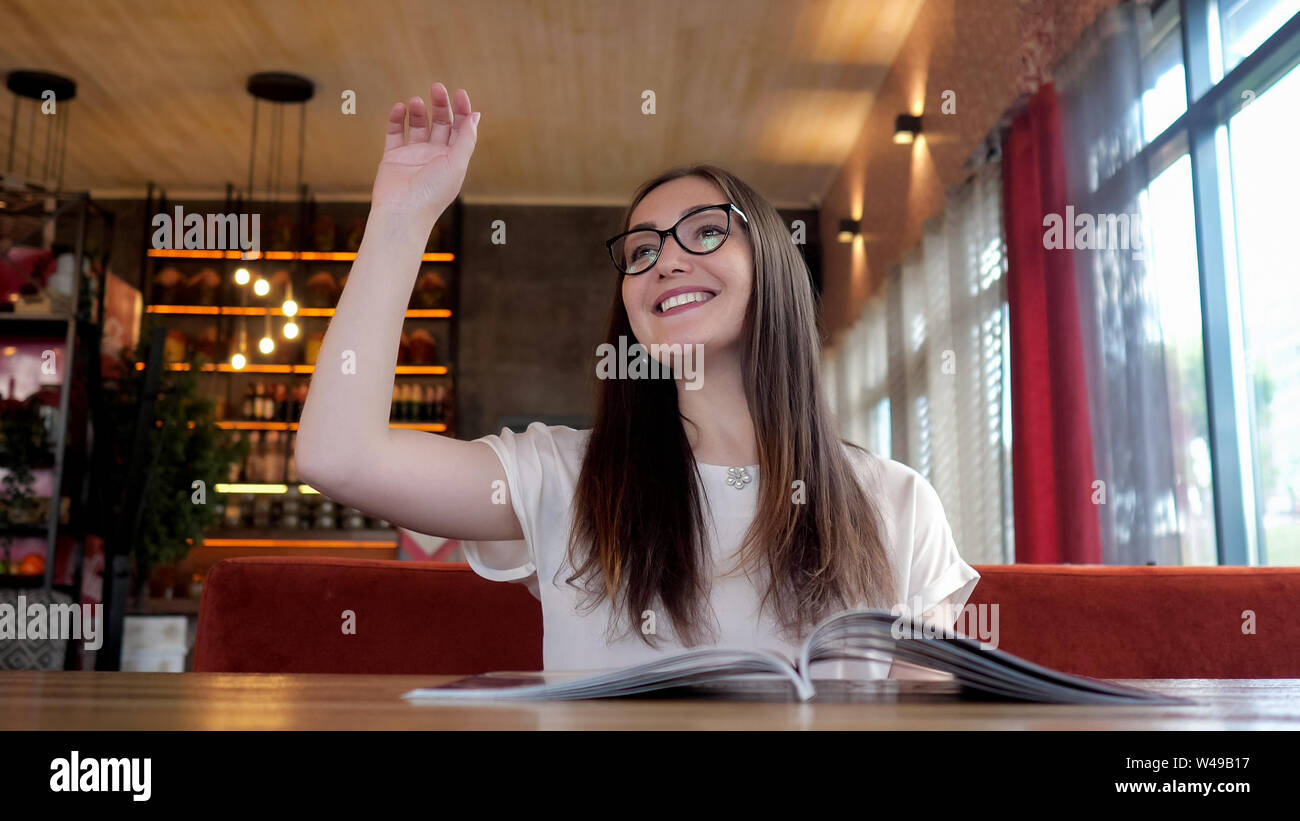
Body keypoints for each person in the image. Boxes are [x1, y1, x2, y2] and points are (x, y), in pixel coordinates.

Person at [296, 82, 979, 679]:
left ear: (772, 268)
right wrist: (401, 217)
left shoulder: (900, 503)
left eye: (705, 233)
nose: (667, 259)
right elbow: (340, 457)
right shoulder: (559, 476)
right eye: (642, 250)